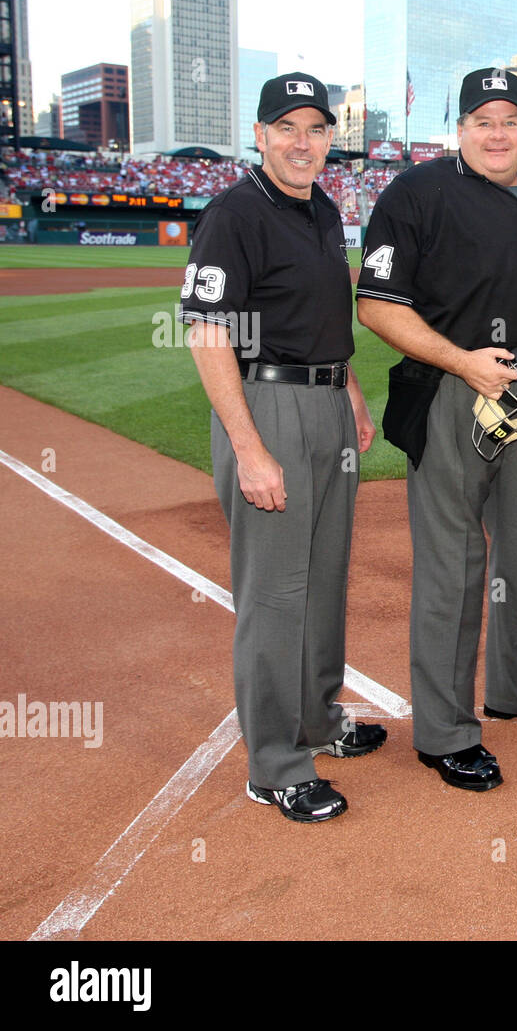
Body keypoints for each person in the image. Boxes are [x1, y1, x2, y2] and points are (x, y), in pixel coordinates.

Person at [356, 68, 517, 792]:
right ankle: (444, 731)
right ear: (459, 129)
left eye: (510, 120)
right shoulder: (416, 194)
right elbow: (376, 303)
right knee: (453, 567)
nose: (498, 134)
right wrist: (463, 362)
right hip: (451, 395)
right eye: (482, 121)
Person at [184, 72, 384, 824]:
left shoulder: (323, 208)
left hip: (328, 402)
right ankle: (273, 763)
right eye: (287, 128)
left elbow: (322, 315)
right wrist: (249, 448)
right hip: (266, 407)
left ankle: (318, 721)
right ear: (261, 135)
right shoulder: (237, 212)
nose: (303, 142)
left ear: (329, 138)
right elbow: (207, 333)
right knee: (274, 593)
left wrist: (353, 394)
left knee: (324, 579)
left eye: (316, 129)